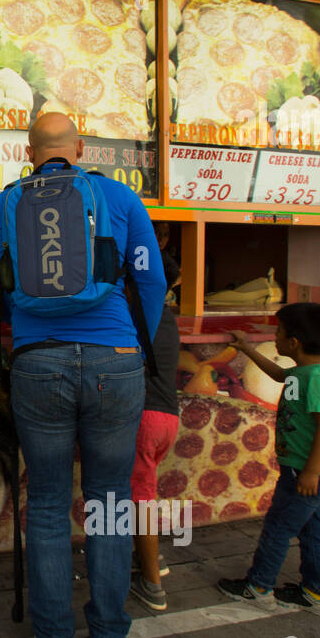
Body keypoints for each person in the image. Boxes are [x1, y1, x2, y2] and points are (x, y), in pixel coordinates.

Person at [0, 112, 166, 638]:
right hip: (116, 362)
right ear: (78, 149)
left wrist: (35, 319)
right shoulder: (119, 197)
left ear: (29, 152)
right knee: (108, 502)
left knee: (50, 505)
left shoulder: (1, 205)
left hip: (38, 365)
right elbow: (149, 279)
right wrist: (132, 342)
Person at [219, 303, 320, 617]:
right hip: (304, 470)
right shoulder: (302, 372)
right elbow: (277, 373)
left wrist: (310, 472)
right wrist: (246, 348)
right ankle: (315, 592)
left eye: (279, 332)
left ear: (294, 342)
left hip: (306, 471)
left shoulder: (318, 378)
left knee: (278, 527)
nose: (275, 337)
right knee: (311, 531)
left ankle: (258, 587)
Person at [128, 252, 181, 612]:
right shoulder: (167, 316)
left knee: (140, 501)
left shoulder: (133, 315)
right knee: (144, 493)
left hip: (142, 420)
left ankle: (152, 586)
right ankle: (150, 560)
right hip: (167, 419)